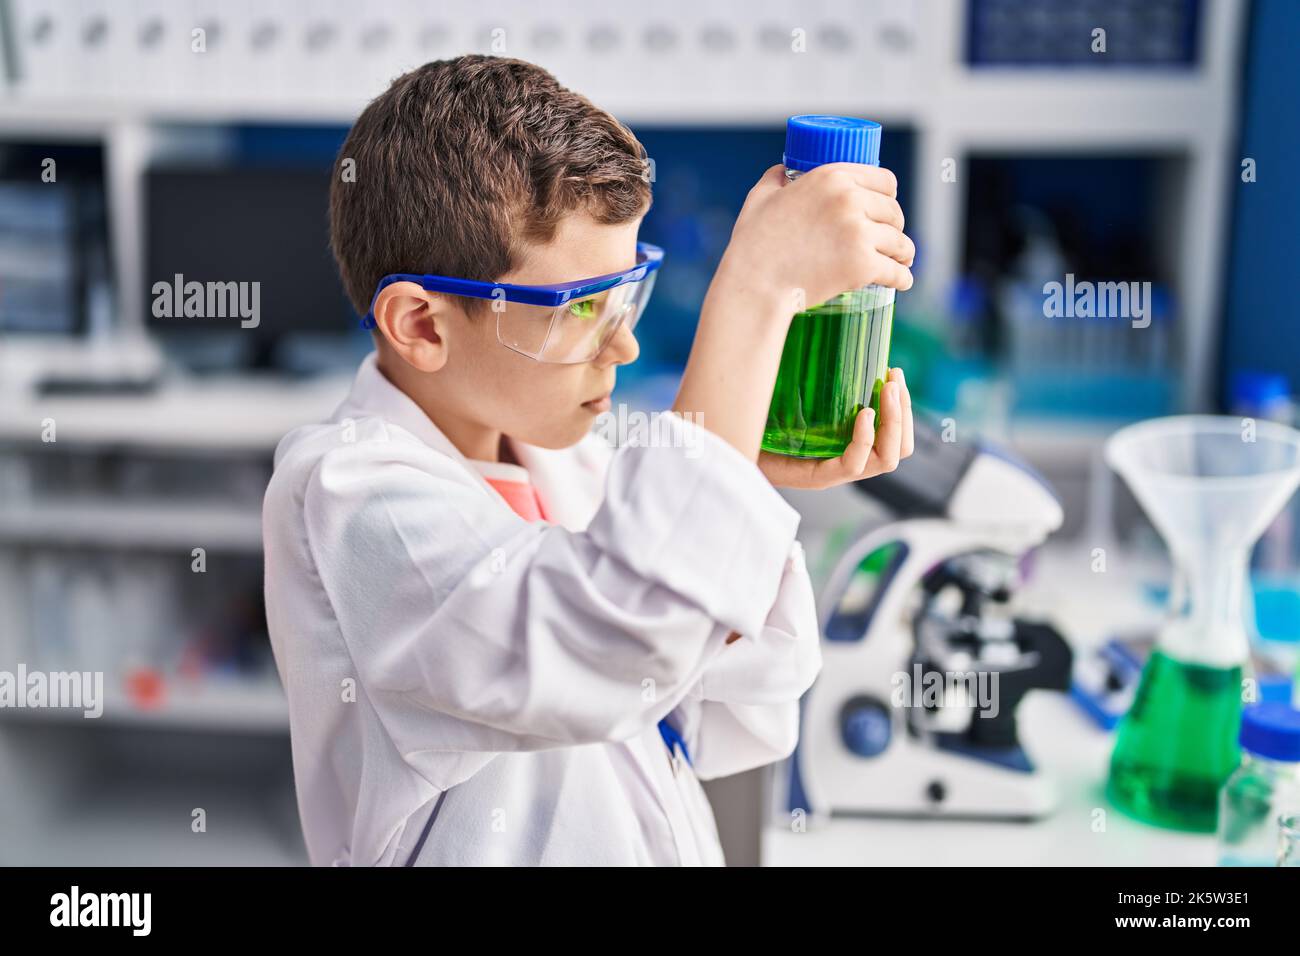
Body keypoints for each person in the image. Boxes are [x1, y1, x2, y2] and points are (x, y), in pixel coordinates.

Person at [263, 55, 915, 866]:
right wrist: (752, 291)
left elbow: (735, 709)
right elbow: (610, 644)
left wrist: (739, 472)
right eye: (581, 310)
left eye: (626, 293)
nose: (628, 344)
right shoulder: (351, 495)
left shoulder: (567, 452)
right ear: (423, 326)